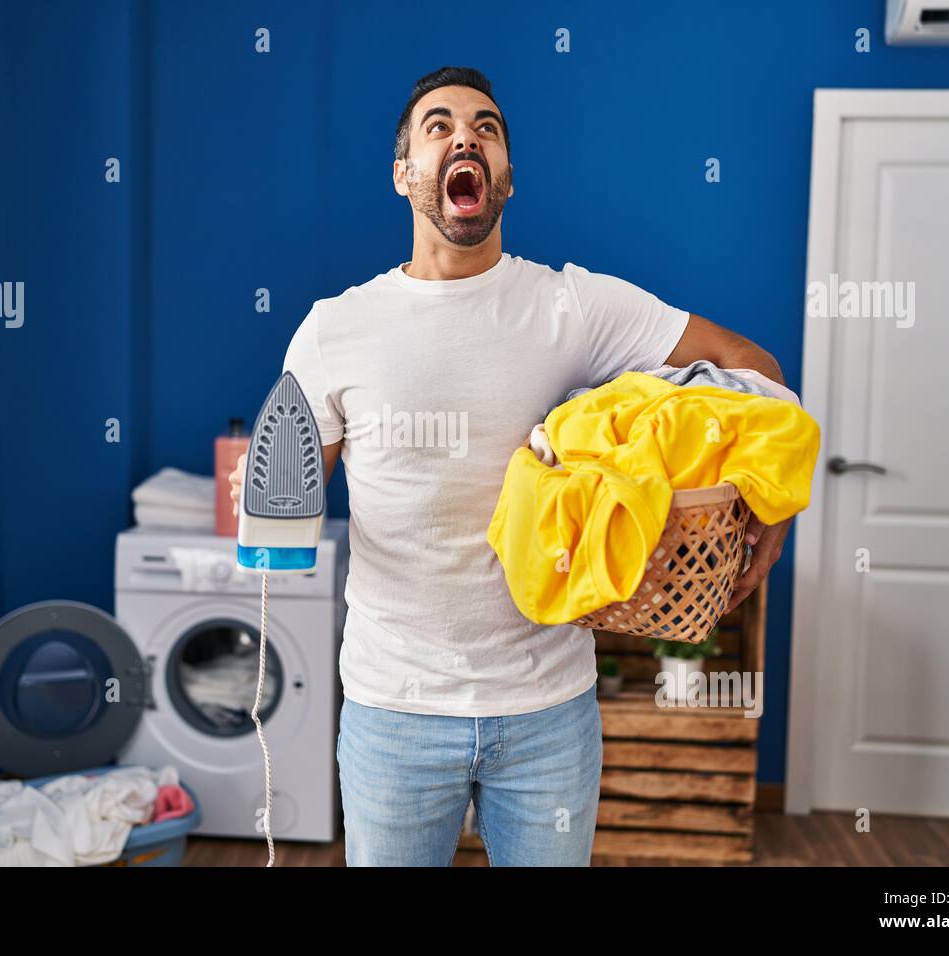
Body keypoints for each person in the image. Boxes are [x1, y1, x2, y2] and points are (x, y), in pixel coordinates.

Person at [229, 66, 788, 866]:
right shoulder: (335, 330)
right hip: (394, 711)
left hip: (548, 713)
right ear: (404, 174)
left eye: (486, 129)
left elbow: (751, 365)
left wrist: (769, 503)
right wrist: (266, 494)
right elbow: (286, 503)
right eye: (439, 126)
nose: (466, 137)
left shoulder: (575, 308)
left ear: (506, 179)